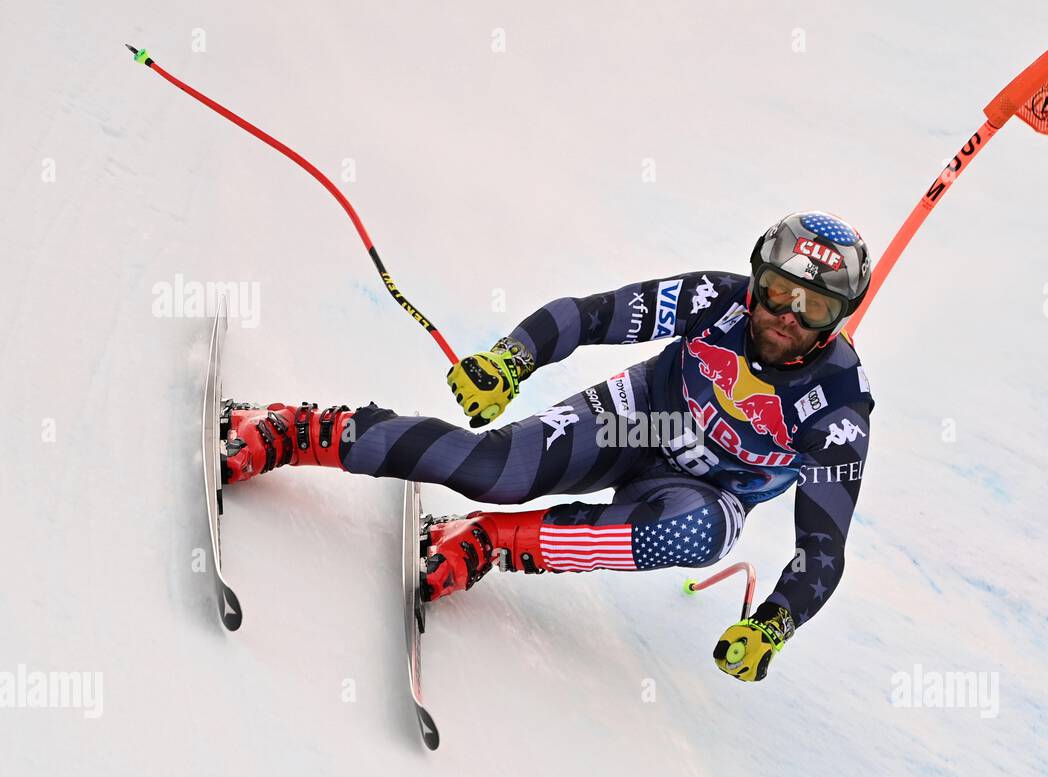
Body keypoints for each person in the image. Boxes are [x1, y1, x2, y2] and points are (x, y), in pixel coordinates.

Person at [221, 211, 875, 682]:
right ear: (754, 280)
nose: (786, 316)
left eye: (813, 308)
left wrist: (775, 623)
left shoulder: (840, 405)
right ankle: (293, 429)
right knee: (494, 469)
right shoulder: (716, 300)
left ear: (838, 319)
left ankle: (485, 542)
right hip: (637, 420)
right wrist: (512, 361)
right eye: (777, 293)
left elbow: (823, 548)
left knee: (698, 534)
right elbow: (589, 315)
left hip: (710, 491)